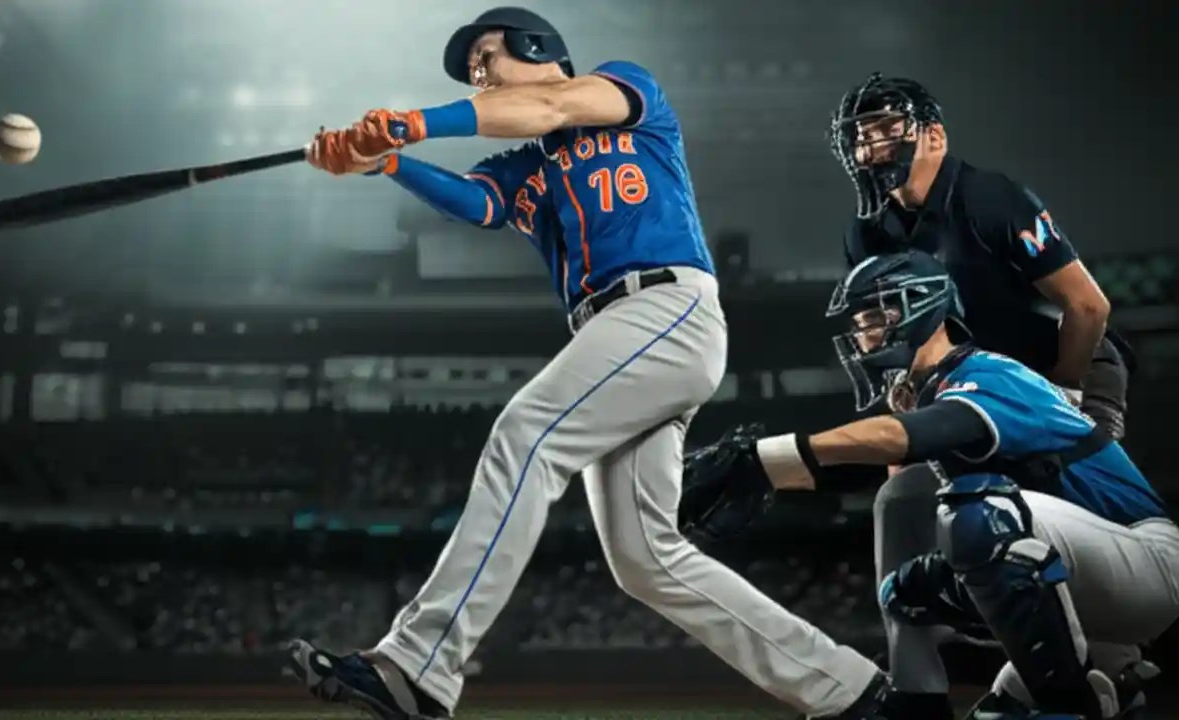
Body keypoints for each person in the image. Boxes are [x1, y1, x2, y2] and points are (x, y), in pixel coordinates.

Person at [284, 7, 895, 719]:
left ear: (535, 45)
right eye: (472, 69)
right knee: (646, 558)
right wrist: (387, 162)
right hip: (619, 333)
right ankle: (853, 692)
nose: (478, 73)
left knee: (526, 436)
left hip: (663, 305)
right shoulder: (528, 163)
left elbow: (548, 105)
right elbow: (477, 203)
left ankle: (418, 666)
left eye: (486, 55)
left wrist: (410, 123)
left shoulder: (623, 88)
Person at [682, 250, 1177, 719]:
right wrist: (764, 476)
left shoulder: (988, 373)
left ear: (920, 306)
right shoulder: (935, 394)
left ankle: (1069, 703)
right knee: (906, 584)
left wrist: (764, 457)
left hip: (1147, 561)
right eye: (859, 325)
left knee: (978, 511)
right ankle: (920, 700)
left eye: (872, 318)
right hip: (1078, 583)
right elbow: (858, 469)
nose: (862, 336)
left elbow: (909, 435)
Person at [827, 72, 1138, 716]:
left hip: (1060, 367)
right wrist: (904, 444)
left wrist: (1063, 391)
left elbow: (1087, 306)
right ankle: (916, 688)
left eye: (887, 128)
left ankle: (1111, 663)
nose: (871, 146)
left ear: (933, 136)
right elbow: (893, 349)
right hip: (966, 389)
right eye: (861, 135)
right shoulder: (866, 234)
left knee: (1062, 497)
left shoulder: (990, 197)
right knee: (901, 500)